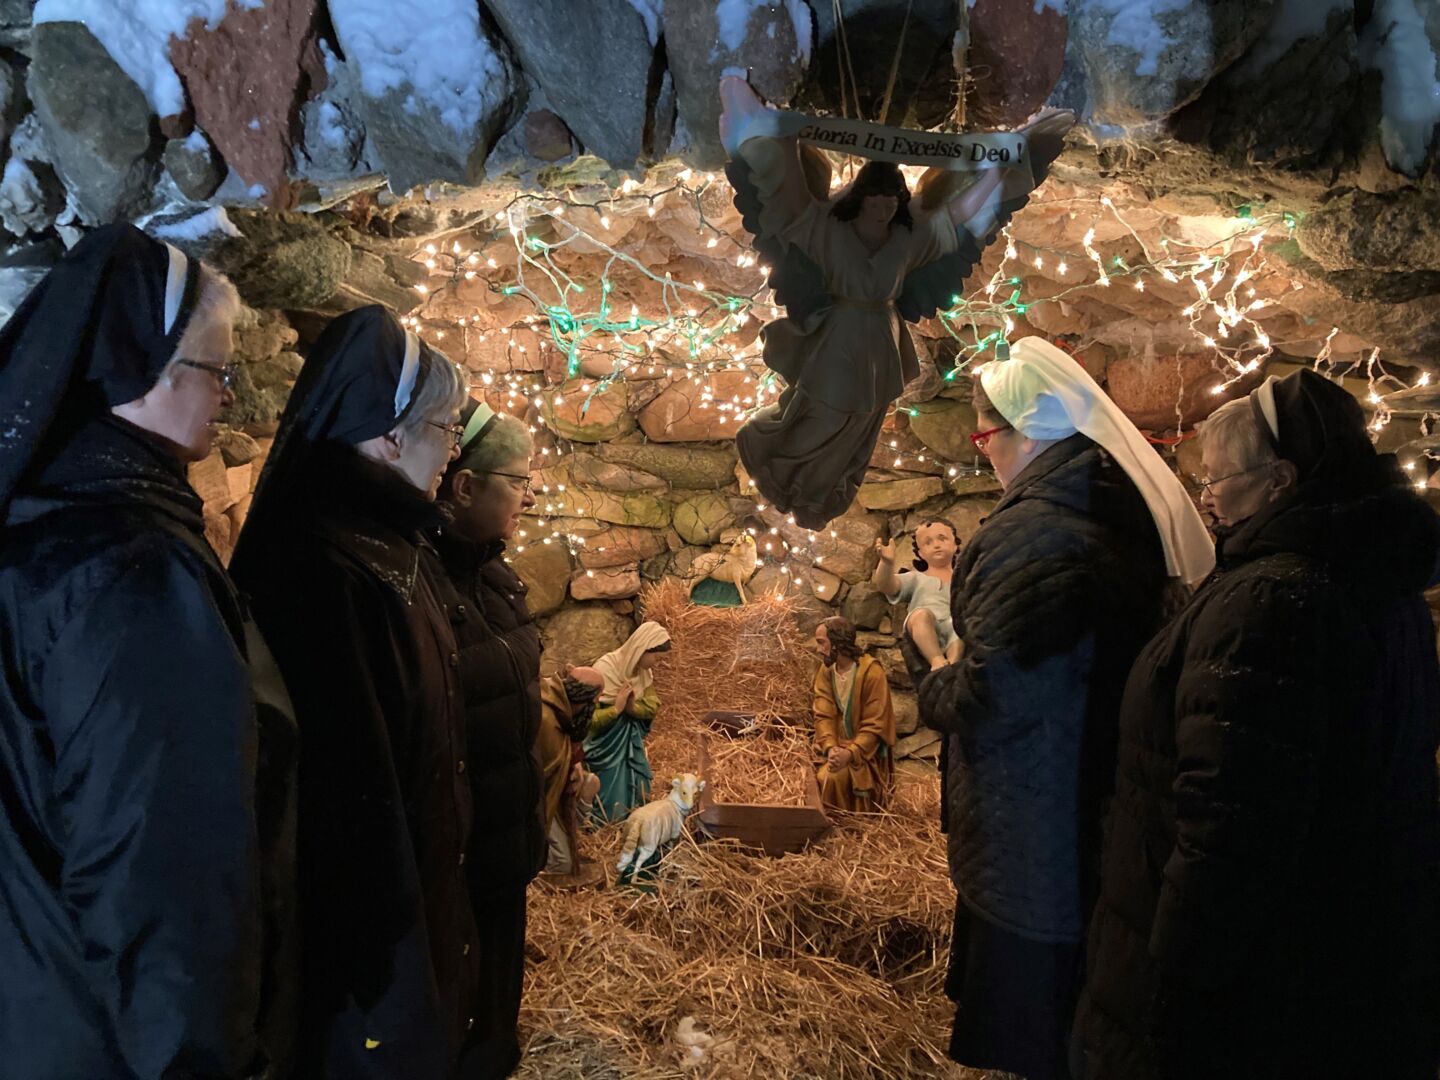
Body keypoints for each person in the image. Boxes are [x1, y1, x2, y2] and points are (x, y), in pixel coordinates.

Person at [1072, 369, 1440, 1080]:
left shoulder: (1272, 603)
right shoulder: (1375, 584)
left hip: (1249, 992)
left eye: (1217, 482)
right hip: (1340, 962)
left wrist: (1171, 988)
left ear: (1279, 480)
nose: (1206, 502)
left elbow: (1228, 827)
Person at [0, 225, 298, 1078]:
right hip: (110, 1040)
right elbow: (163, 877)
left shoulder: (39, 524)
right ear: (142, 368)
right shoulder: (132, 571)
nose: (231, 398)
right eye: (218, 371)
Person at [918, 336, 1214, 1080]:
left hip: (1035, 816)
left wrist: (934, 673)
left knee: (1034, 1016)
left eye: (986, 436)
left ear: (1029, 433)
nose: (984, 453)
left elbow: (996, 689)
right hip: (1073, 793)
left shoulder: (1036, 533)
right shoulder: (1099, 505)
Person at [230, 305, 479, 1079]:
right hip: (363, 972)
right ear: (388, 433)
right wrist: (394, 984)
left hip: (416, 931)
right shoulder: (319, 571)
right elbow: (349, 803)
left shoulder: (395, 544)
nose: (454, 450)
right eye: (444, 426)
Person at [719, 73, 1074, 528]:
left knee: (859, 428)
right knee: (821, 416)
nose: (886, 207)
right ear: (862, 198)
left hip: (879, 342)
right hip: (837, 344)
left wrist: (998, 170)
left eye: (893, 200)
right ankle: (788, 472)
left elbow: (959, 218)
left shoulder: (910, 239)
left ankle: (820, 494)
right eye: (879, 200)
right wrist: (780, 143)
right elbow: (786, 204)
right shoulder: (827, 230)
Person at [431, 398, 543, 1079]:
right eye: (518, 481)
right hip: (462, 860)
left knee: (497, 1023)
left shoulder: (495, 577)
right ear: (465, 486)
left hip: (504, 852)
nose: (529, 497)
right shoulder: (424, 583)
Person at [584, 621, 672, 825]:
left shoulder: (644, 674)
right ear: (642, 649)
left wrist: (632, 709)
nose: (656, 664)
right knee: (609, 785)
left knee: (636, 779)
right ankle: (607, 821)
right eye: (656, 658)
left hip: (628, 741)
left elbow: (652, 706)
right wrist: (615, 709)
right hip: (604, 745)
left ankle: (632, 817)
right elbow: (587, 718)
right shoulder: (604, 669)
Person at [811, 615, 897, 812]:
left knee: (827, 779)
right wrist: (831, 747)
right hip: (832, 749)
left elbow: (876, 725)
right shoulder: (826, 672)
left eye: (821, 643)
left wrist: (850, 753)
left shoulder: (871, 673)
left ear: (837, 643)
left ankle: (845, 826)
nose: (818, 649)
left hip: (865, 755)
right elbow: (823, 714)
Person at [536, 665, 605, 877]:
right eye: (595, 702)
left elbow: (570, 741)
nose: (595, 707)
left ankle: (574, 832)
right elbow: (548, 772)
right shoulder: (547, 719)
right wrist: (568, 770)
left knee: (591, 782)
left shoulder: (564, 709)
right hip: (541, 800)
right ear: (586, 701)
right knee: (562, 864)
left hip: (559, 788)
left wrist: (574, 762)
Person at [873, 518, 962, 672]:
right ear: (920, 553)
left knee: (960, 627)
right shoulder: (917, 578)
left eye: (942, 538)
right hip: (924, 626)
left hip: (953, 626)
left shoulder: (963, 580)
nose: (936, 545)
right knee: (921, 615)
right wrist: (886, 563)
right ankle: (936, 659)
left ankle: (953, 667)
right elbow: (887, 586)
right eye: (928, 542)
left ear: (955, 544)